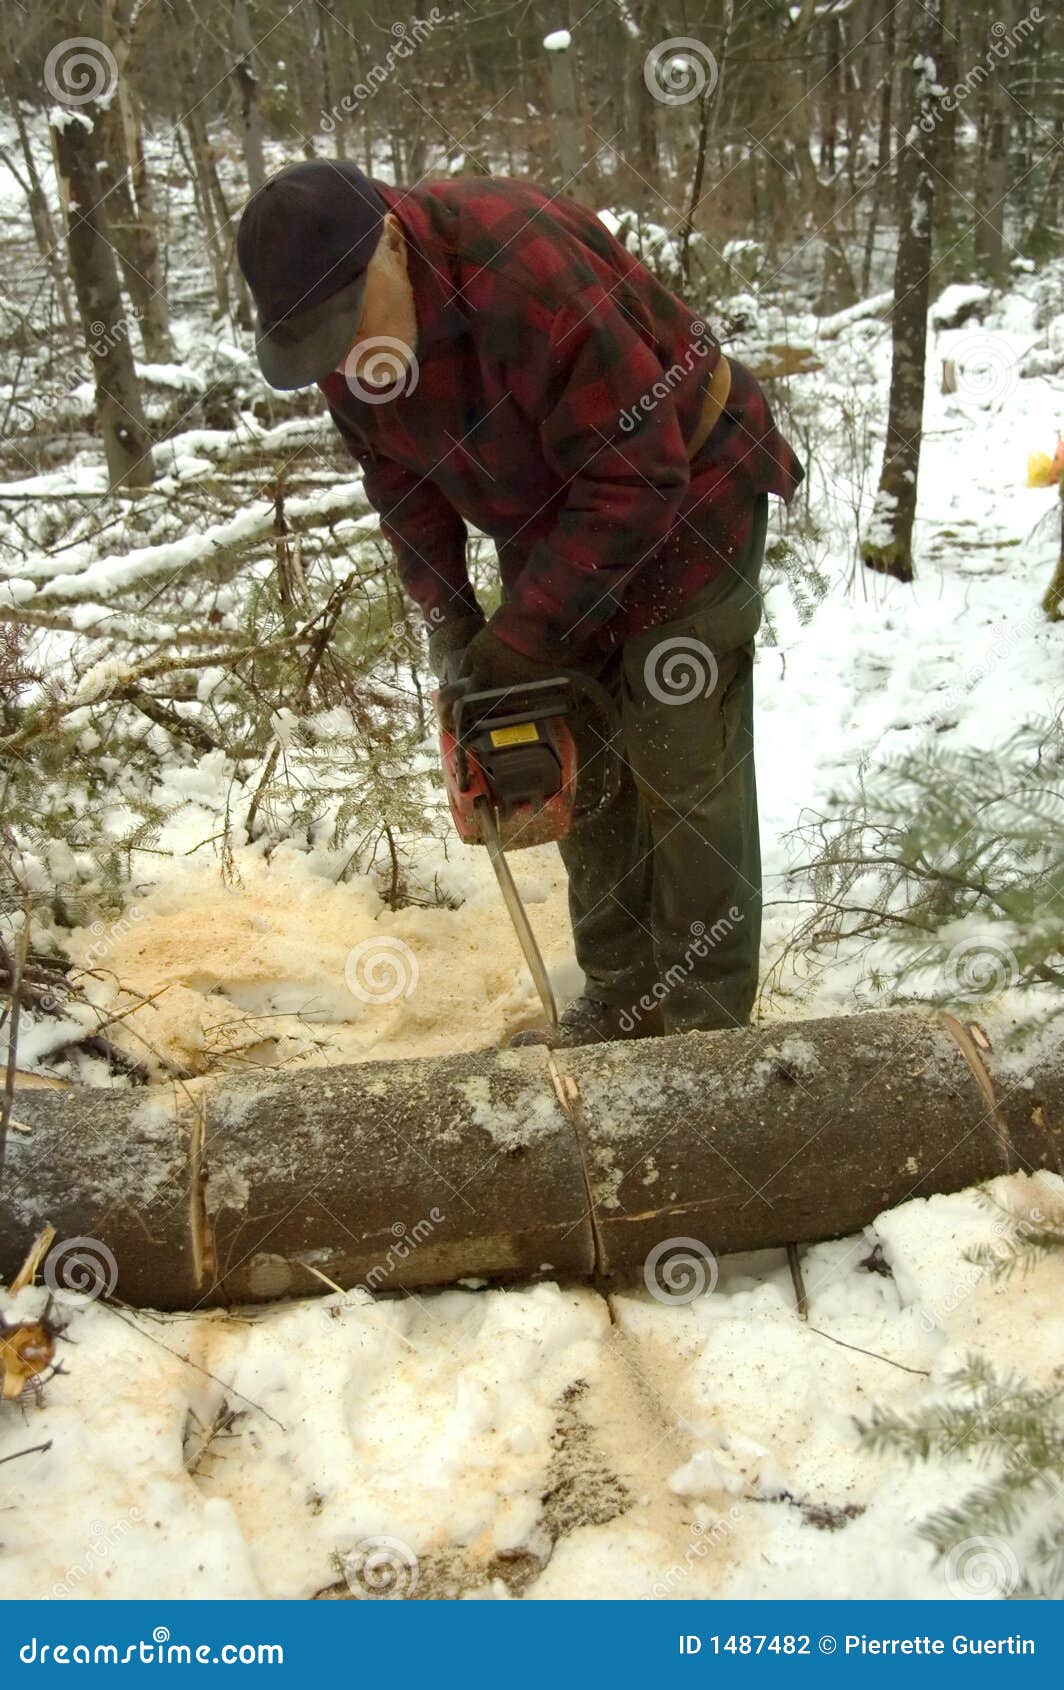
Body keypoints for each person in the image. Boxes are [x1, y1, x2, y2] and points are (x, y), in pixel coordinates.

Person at [237, 161, 803, 1047]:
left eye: (349, 327)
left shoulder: (524, 270)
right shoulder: (339, 340)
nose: (344, 361)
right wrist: (457, 630)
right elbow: (401, 487)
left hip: (688, 489)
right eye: (320, 346)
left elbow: (639, 476)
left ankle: (705, 1034)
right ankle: (620, 998)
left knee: (681, 754)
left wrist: (528, 635)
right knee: (568, 740)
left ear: (390, 239)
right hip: (554, 517)